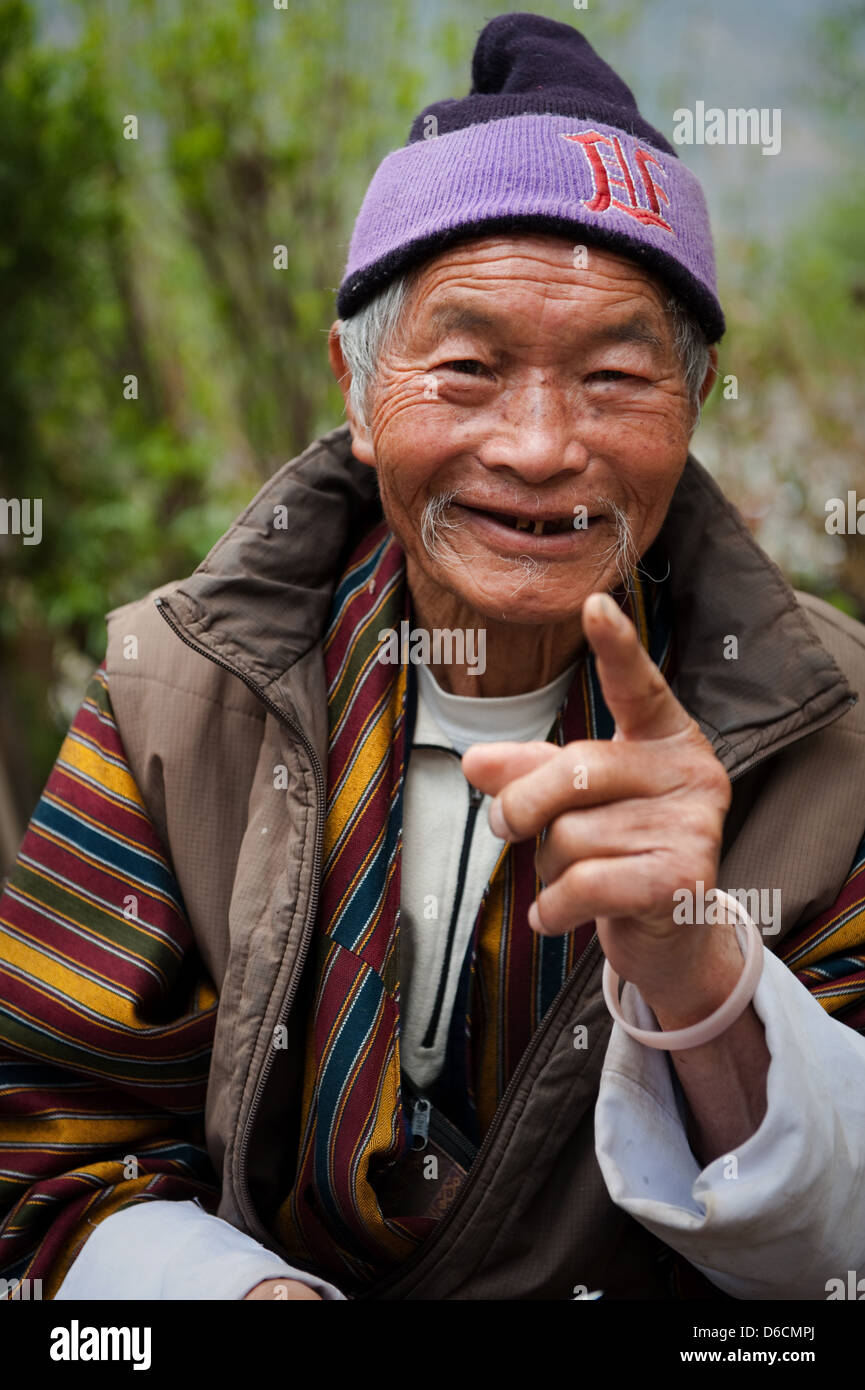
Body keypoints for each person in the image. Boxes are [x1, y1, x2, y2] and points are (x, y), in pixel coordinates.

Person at [2, 12, 865, 1303]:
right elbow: (50, 1151)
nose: (534, 444)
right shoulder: (176, 693)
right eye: (465, 366)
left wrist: (695, 966)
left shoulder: (830, 731)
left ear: (692, 404)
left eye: (615, 377)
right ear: (356, 390)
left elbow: (840, 1253)